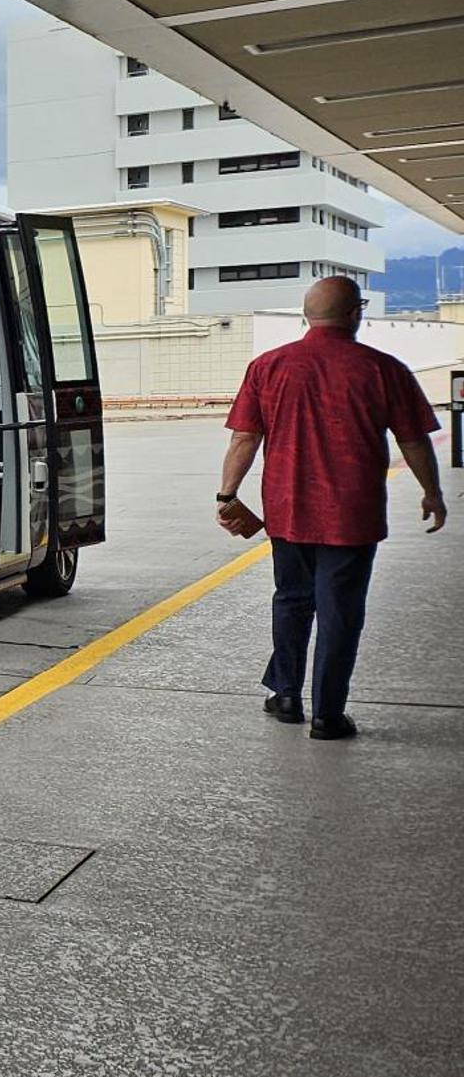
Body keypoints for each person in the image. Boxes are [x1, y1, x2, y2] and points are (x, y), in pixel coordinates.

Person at [216, 275, 447, 740]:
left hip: (287, 509)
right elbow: (413, 439)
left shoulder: (268, 366)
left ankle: (285, 696)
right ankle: (327, 714)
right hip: (351, 514)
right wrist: (432, 492)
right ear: (354, 313)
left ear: (307, 315)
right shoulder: (383, 369)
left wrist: (227, 494)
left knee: (291, 600)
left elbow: (245, 437)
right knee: (340, 610)